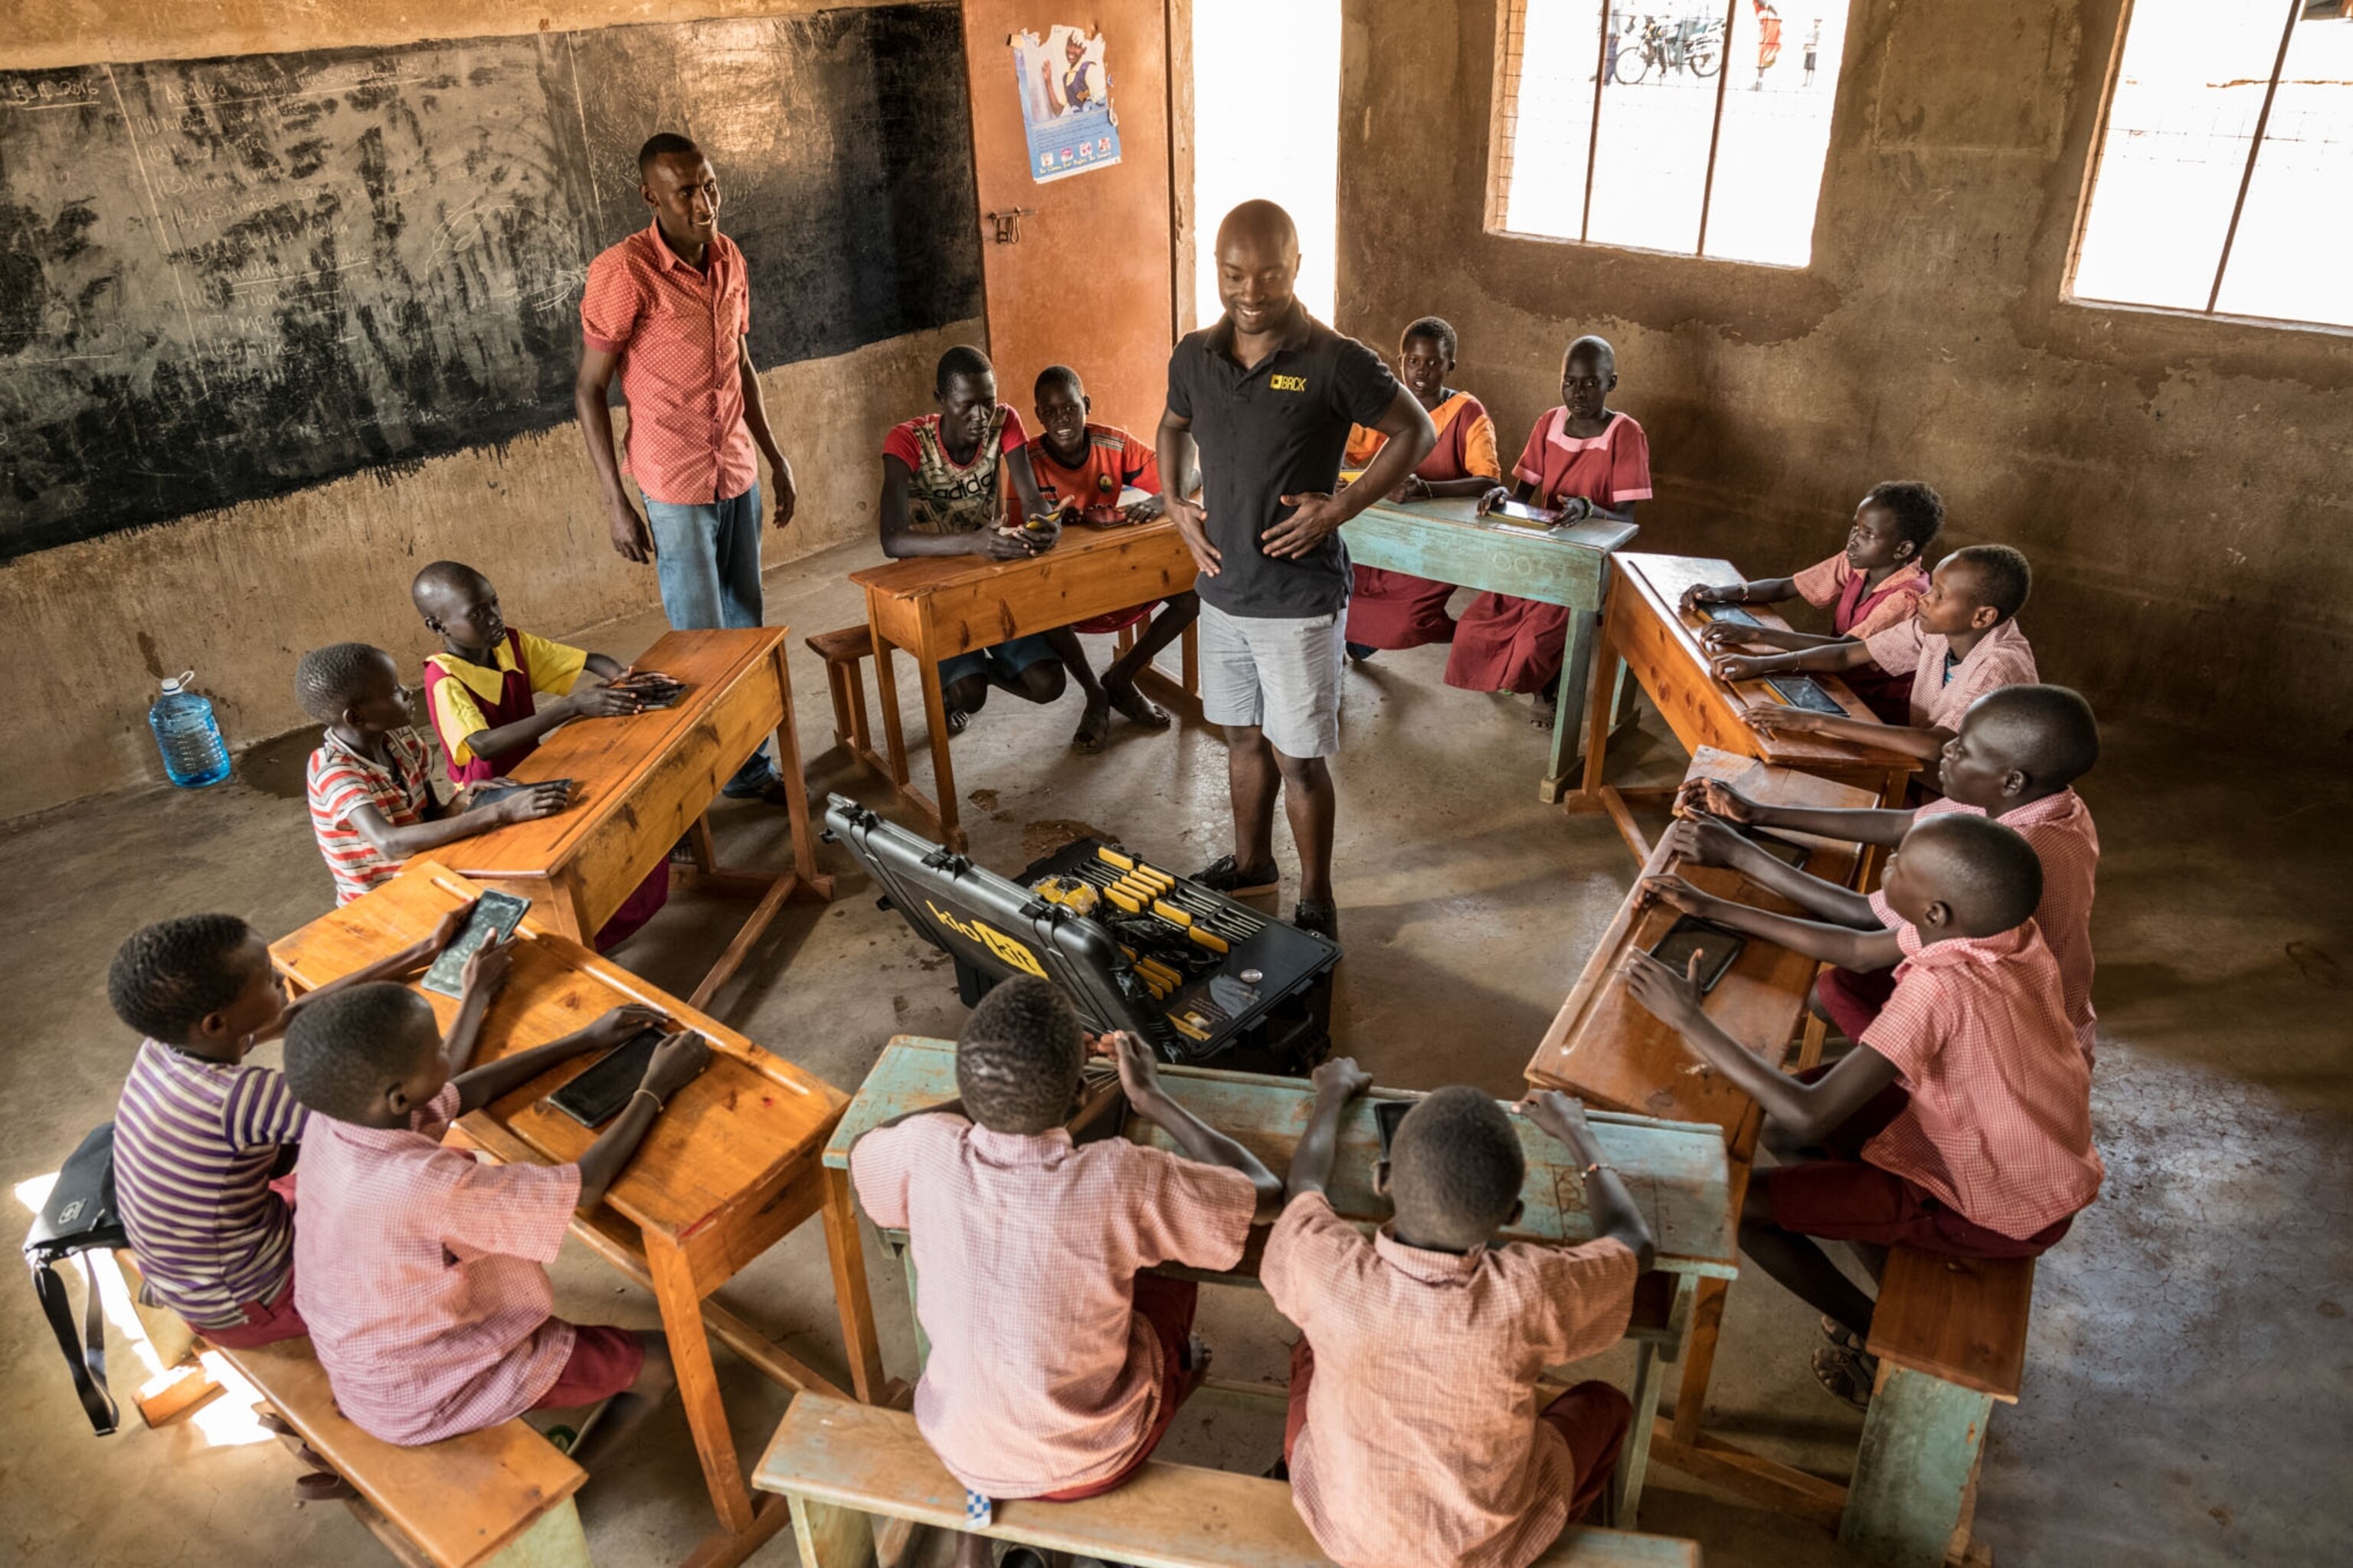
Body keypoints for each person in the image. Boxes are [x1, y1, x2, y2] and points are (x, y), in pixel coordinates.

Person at [1625, 813, 2103, 1407]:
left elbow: (1810, 1114)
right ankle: (1880, 1248)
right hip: (2020, 1152)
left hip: (1994, 1203)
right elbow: (1853, 945)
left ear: (1935, 913)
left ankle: (1877, 1335)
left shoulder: (1940, 987)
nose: (1889, 864)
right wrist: (1711, 907)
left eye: (1900, 863)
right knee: (1770, 1123)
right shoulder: (2001, 935)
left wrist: (1690, 1019)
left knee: (1738, 1204)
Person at [848, 978, 1280, 1568]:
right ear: (1081, 1093)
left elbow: (865, 1149)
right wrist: (1151, 1096)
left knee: (1022, 1300)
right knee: (1170, 1264)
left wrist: (980, 1099)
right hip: (1092, 1460)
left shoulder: (925, 1148)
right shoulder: (1118, 1177)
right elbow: (1263, 1196)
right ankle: (1180, 1369)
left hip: (962, 1440)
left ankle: (977, 1536)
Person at [1159, 199, 1437, 941]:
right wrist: (1173, 499)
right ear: (1216, 272)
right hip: (1223, 591)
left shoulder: (1335, 358)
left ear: (1296, 268)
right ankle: (1253, 862)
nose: (1251, 293)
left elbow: (1417, 429)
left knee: (1299, 756)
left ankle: (1316, 894)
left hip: (1298, 601)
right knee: (1242, 739)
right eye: (1234, 276)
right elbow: (1172, 424)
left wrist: (1339, 508)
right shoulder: (1194, 354)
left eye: (1270, 276)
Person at [283, 980, 703, 1455]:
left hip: (368, 1361)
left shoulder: (334, 1123)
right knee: (668, 1361)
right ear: (399, 1097)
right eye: (435, 1052)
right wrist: (655, 1086)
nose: (446, 1055)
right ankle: (574, 1487)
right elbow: (585, 1188)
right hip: (430, 1391)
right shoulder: (426, 1185)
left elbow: (466, 1091)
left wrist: (583, 1040)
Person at [1265, 1070, 1654, 1568]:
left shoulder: (1326, 1268)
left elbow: (1303, 1188)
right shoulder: (1528, 1293)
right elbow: (1636, 1245)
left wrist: (1332, 1095)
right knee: (1607, 1403)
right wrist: (1578, 1132)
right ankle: (1561, 1522)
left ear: (1382, 1179)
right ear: (1512, 1215)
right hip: (1480, 1549)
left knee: (1311, 1344)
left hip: (1345, 1529)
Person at [1662, 683, 2103, 1059]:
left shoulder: (2006, 852)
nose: (1945, 749)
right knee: (1830, 990)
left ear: (2011, 780)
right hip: (2023, 1001)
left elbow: (1863, 920)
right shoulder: (2040, 803)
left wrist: (1739, 854)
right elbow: (1898, 823)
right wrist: (1757, 813)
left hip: (2012, 1038)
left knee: (1828, 987)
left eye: (1962, 749)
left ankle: (1902, 1089)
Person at [105, 908, 466, 1349]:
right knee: (445, 1190)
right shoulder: (238, 1099)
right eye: (265, 977)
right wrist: (476, 996)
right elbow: (416, 1099)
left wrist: (422, 951)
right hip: (257, 1302)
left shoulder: (167, 1045)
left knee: (368, 1170)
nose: (279, 978)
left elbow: (291, 1017)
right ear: (217, 1023)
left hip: (198, 1271)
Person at [576, 133, 797, 805]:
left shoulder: (729, 258)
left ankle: (748, 759)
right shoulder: (625, 271)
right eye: (685, 192)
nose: (704, 204)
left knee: (747, 621)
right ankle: (716, 766)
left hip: (735, 468)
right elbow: (589, 389)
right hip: (672, 480)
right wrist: (616, 503)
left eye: (709, 185)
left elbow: (742, 363)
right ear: (651, 197)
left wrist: (775, 455)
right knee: (700, 637)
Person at [413, 561, 672, 950]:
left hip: (538, 771)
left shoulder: (508, 645)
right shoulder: (444, 679)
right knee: (597, 832)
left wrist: (621, 675)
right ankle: (583, 934)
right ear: (438, 627)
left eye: (495, 604)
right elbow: (483, 744)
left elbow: (586, 659)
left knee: (628, 797)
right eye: (478, 613)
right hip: (492, 795)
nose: (494, 618)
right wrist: (571, 707)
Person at [881, 345, 1094, 736]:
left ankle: (983, 673)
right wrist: (974, 543)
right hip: (933, 588)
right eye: (967, 406)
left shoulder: (1005, 421)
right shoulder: (907, 441)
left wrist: (1046, 523)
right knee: (968, 695)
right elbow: (892, 541)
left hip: (988, 572)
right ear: (940, 400)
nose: (981, 417)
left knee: (1049, 685)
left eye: (988, 403)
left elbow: (1030, 499)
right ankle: (957, 688)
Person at [1710, 543, 2037, 784]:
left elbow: (1937, 744)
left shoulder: (1998, 666)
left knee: (1800, 770)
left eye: (1939, 595)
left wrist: (1813, 721)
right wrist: (1762, 662)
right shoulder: (1941, 631)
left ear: (1982, 616)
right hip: (1928, 771)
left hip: (1970, 794)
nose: (1924, 598)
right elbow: (1848, 653)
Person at [1448, 336, 1649, 727]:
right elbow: (1523, 494)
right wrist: (1500, 497)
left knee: (1535, 639)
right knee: (1477, 625)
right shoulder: (1549, 422)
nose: (1579, 393)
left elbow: (1626, 519)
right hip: (1544, 546)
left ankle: (1546, 689)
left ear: (1612, 383)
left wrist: (1588, 509)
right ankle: (1513, 676)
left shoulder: (1626, 434)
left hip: (1590, 558)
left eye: (1591, 382)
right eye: (1569, 382)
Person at [298, 643, 569, 905]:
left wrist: (459, 804)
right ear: (356, 717)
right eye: (394, 690)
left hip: (424, 873)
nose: (407, 693)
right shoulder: (334, 771)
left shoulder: (402, 739)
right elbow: (389, 843)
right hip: (380, 904)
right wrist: (499, 811)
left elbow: (430, 818)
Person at [1026, 364, 1199, 753]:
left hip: (1117, 572)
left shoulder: (1113, 444)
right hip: (1065, 581)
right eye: (1049, 412)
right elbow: (1022, 526)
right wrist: (1051, 522)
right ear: (1038, 416)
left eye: (1070, 408)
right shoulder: (1029, 459)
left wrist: (1160, 500)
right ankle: (1095, 693)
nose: (1061, 420)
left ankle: (1122, 675)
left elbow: (1190, 474)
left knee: (1191, 597)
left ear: (1086, 405)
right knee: (1045, 615)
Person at [1680, 482, 1943, 724]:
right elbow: (1786, 586)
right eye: (1855, 527)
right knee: (1730, 679)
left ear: (1902, 550)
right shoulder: (1858, 564)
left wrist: (1754, 633)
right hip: (1832, 679)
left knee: (1750, 694)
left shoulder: (1905, 598)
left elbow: (1845, 652)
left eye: (1868, 534)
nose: (1853, 539)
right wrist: (1721, 592)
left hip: (1871, 707)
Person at [1340, 316, 1506, 660]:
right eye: (1413, 362)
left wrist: (1427, 488)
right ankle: (1361, 639)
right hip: (1381, 536)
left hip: (1435, 545)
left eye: (1434, 363)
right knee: (1342, 595)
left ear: (1450, 366)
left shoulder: (1467, 412)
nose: (1422, 372)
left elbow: (1489, 480)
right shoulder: (1387, 404)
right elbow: (1348, 450)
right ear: (1400, 362)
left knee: (1406, 619)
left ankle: (1467, 636)